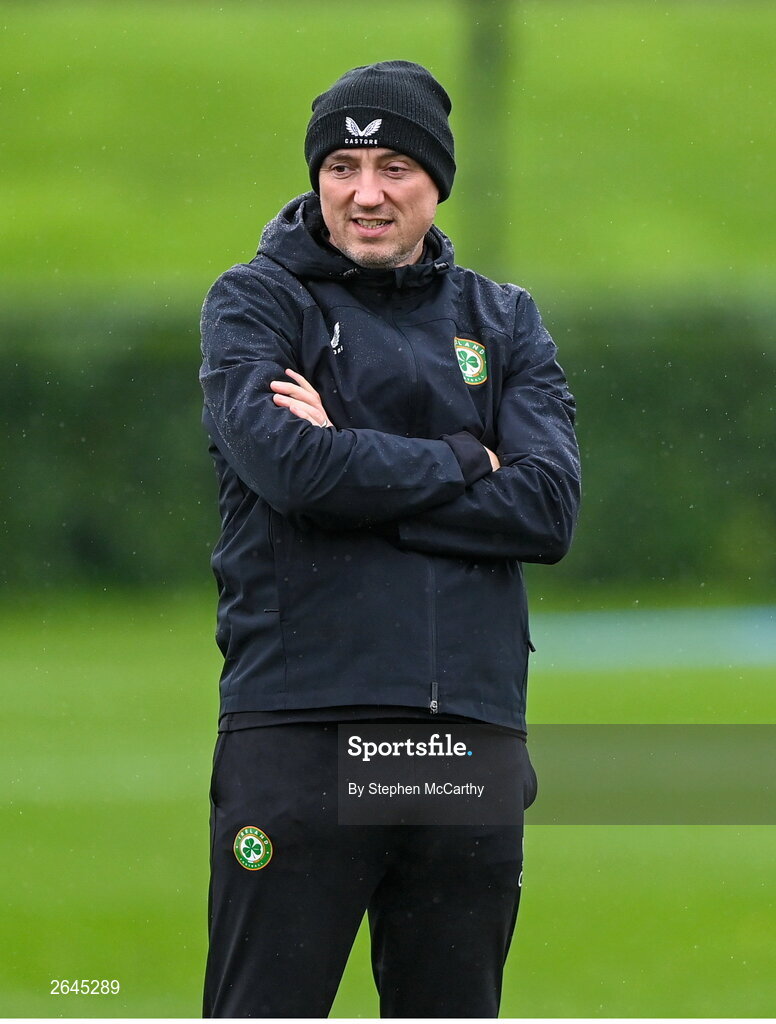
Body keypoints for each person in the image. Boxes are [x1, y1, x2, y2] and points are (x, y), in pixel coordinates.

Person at [199, 60, 580, 1018]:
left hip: (466, 741)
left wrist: (352, 466)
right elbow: (293, 470)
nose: (366, 193)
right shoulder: (255, 303)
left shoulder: (505, 319)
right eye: (343, 165)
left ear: (437, 182)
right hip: (302, 734)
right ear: (318, 176)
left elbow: (546, 510)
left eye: (396, 166)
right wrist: (465, 458)